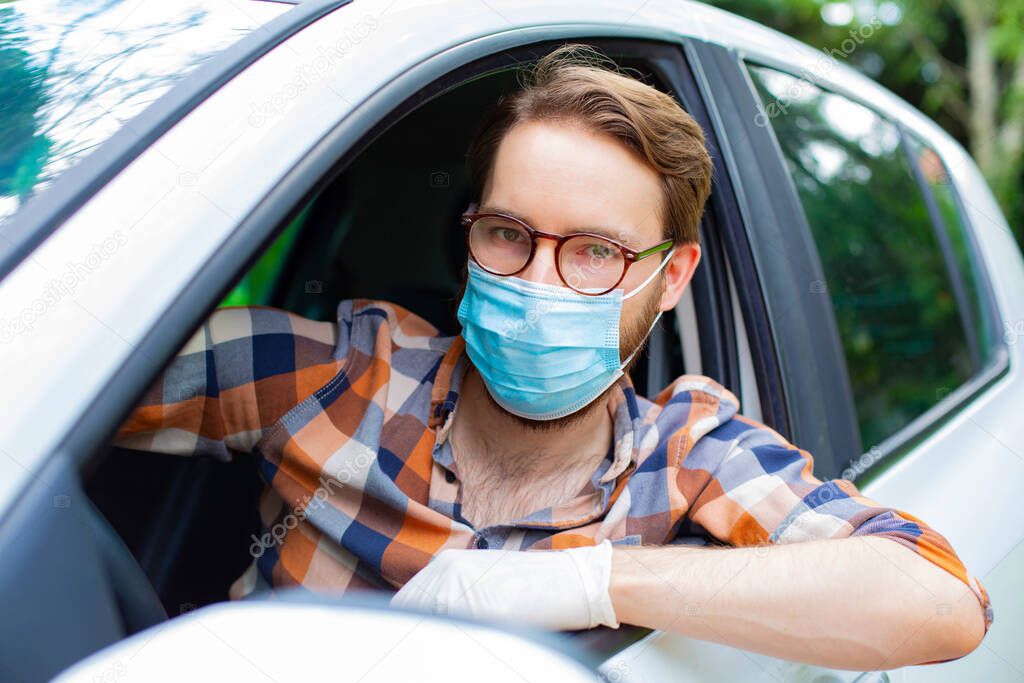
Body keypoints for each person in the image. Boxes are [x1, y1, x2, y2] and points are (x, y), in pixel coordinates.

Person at [113, 43, 990, 670]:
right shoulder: (345, 371)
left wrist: (592, 581)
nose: (538, 282)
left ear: (671, 275)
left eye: (596, 252)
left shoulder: (687, 457)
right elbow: (53, 379)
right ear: (469, 234)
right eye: (508, 235)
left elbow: (938, 599)